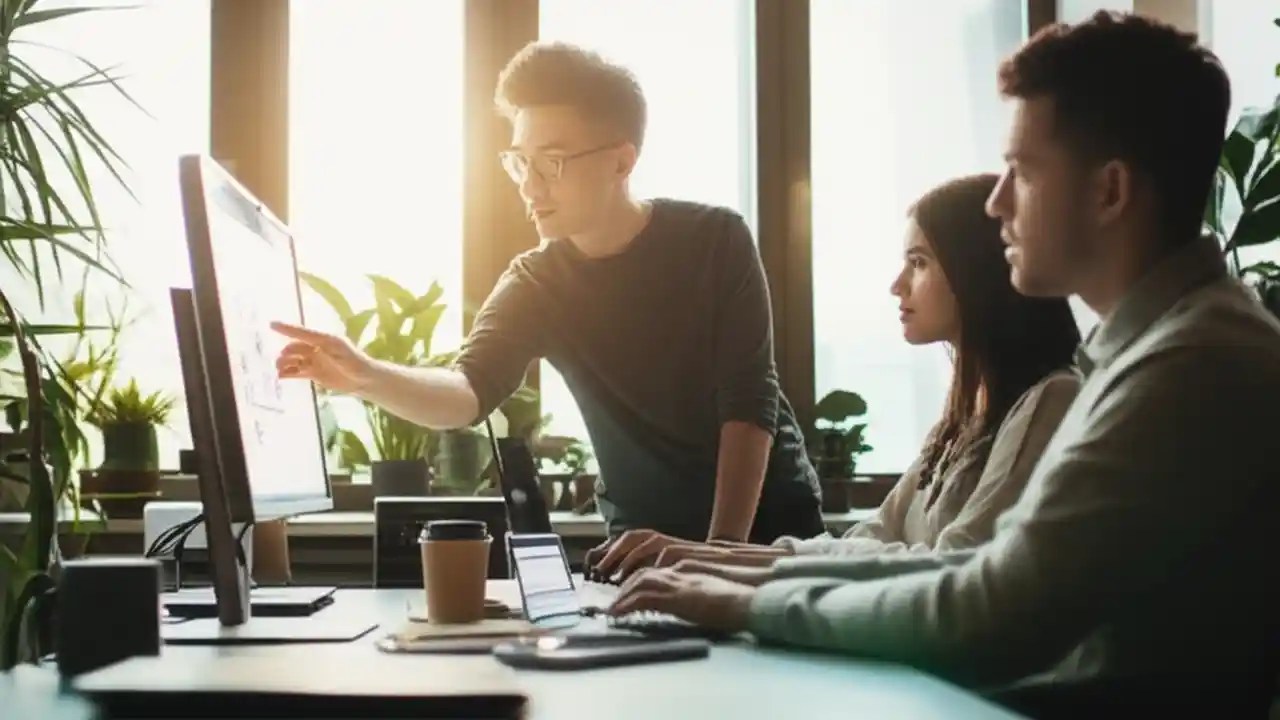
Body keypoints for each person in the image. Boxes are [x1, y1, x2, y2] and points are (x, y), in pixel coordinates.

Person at [607, 12, 1280, 715]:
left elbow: (991, 612)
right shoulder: (1163, 349)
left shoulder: (1194, 365)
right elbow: (985, 571)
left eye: (1021, 172)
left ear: (1109, 191)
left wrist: (747, 604)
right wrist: (733, 581)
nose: (996, 203)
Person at [272, 41, 824, 548]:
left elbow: (748, 405)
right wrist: (366, 375)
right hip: (640, 544)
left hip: (767, 539)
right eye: (520, 162)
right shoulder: (536, 281)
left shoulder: (715, 240)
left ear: (621, 161)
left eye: (552, 164)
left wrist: (717, 556)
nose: (530, 187)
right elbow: (468, 391)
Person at [593, 173, 1082, 579]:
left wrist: (725, 568)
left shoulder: (1050, 400)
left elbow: (950, 566)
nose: (897, 285)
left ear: (975, 272)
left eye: (919, 262)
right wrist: (711, 557)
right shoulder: (964, 416)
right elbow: (874, 539)